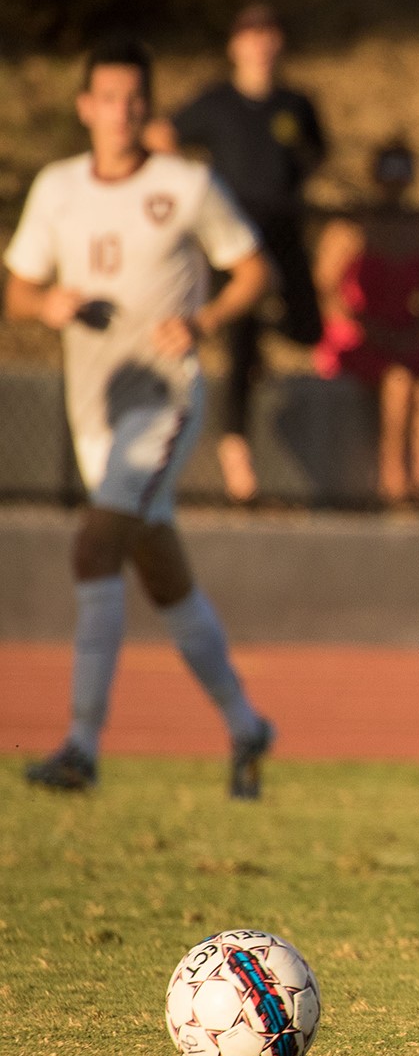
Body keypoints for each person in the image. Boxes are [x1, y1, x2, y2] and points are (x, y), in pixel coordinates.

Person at [6, 40, 278, 800]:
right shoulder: (57, 188)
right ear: (84, 107)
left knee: (94, 547)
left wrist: (208, 318)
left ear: (147, 108)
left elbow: (254, 269)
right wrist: (46, 303)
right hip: (91, 409)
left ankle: (82, 748)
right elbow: (18, 290)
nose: (121, 112)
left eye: (134, 100)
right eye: (107, 98)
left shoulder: (186, 184)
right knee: (161, 576)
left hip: (164, 401)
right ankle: (247, 725)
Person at [148, 3, 327, 503]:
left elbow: (315, 154)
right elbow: (160, 135)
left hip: (284, 230)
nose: (261, 45)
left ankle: (264, 339)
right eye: (251, 35)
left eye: (269, 34)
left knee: (309, 327)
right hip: (236, 239)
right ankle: (236, 456)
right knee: (241, 340)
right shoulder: (216, 103)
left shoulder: (295, 104)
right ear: (235, 46)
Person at [313, 141, 419, 508]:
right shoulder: (349, 228)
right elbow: (326, 290)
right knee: (399, 381)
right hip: (355, 337)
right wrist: (370, 329)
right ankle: (393, 483)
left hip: (402, 336)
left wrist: (409, 332)